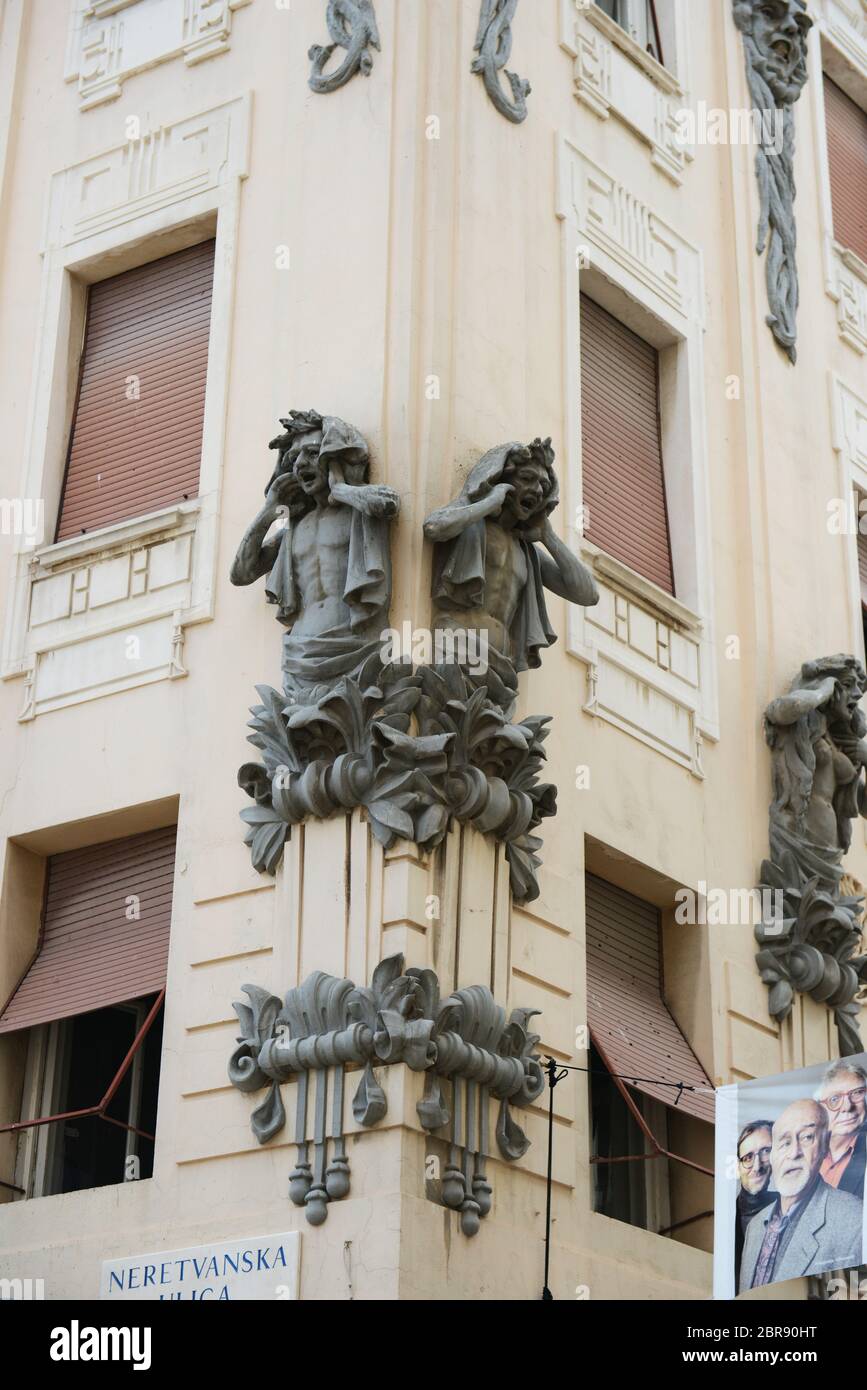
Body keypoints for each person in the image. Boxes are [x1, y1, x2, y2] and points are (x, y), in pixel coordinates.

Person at [230, 410, 399, 703]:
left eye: (311, 453)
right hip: (300, 652)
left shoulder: (357, 514)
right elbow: (241, 573)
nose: (300, 464)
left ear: (334, 457)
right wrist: (270, 509)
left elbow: (387, 505)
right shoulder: (296, 529)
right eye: (294, 458)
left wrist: (342, 489)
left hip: (353, 644)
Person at [422, 438, 598, 709]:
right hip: (455, 647)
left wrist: (548, 536)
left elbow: (587, 594)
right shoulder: (473, 525)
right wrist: (487, 502)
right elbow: (434, 527)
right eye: (527, 478)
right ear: (501, 479)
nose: (537, 490)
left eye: (543, 485)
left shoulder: (525, 552)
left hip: (502, 668)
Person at [739, 1099, 863, 1291]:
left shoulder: (855, 1219)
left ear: (824, 1145)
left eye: (806, 1137)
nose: (793, 1152)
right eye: (784, 1142)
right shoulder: (755, 1227)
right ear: (773, 1157)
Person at [734, 1120, 776, 1287]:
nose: (757, 1166)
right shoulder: (727, 1215)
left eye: (765, 1151)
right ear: (738, 1167)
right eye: (748, 1157)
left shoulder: (793, 1207)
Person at [817, 1061, 867, 1199]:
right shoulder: (807, 1153)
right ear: (820, 1110)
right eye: (834, 1099)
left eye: (857, 1093)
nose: (846, 1106)